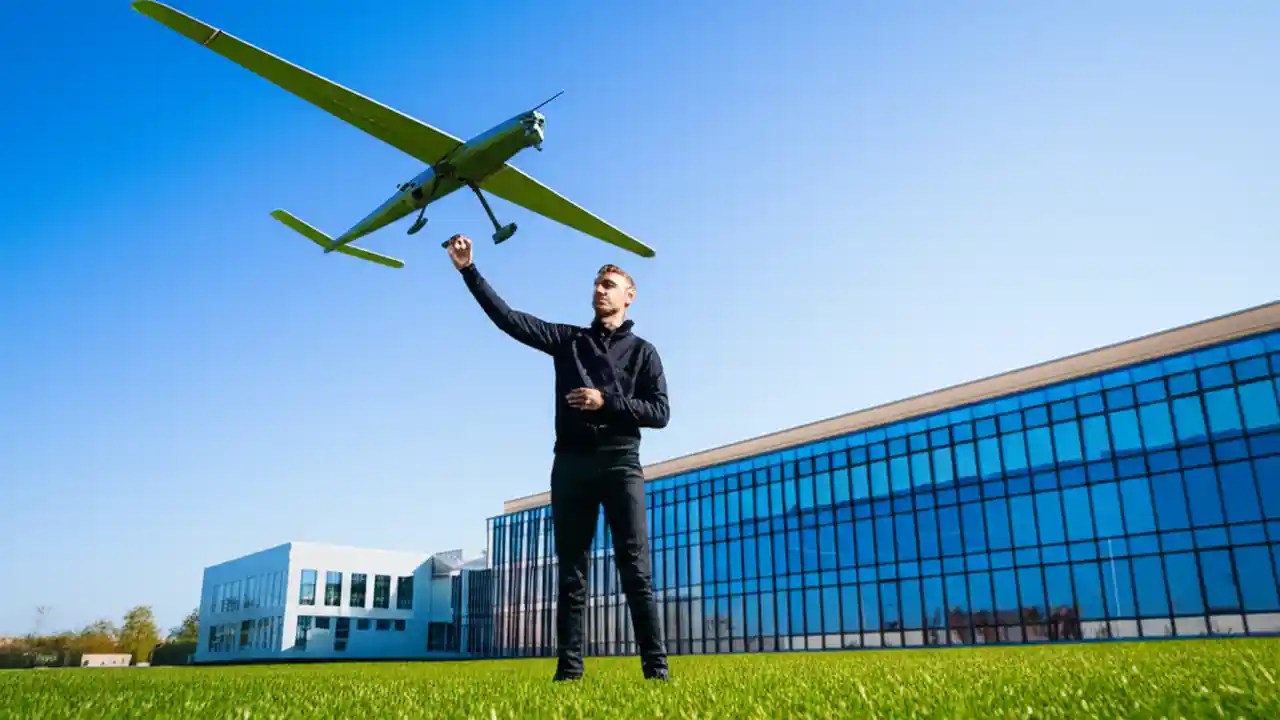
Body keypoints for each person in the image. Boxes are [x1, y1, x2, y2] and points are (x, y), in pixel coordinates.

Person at [445, 234, 671, 682]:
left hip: (621, 463)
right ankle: (568, 673)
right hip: (571, 465)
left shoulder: (644, 353)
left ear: (629, 296)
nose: (600, 290)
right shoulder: (568, 341)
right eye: (597, 284)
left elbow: (660, 412)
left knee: (635, 570)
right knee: (571, 574)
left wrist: (606, 402)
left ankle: (657, 671)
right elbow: (509, 319)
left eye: (609, 284)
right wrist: (469, 270)